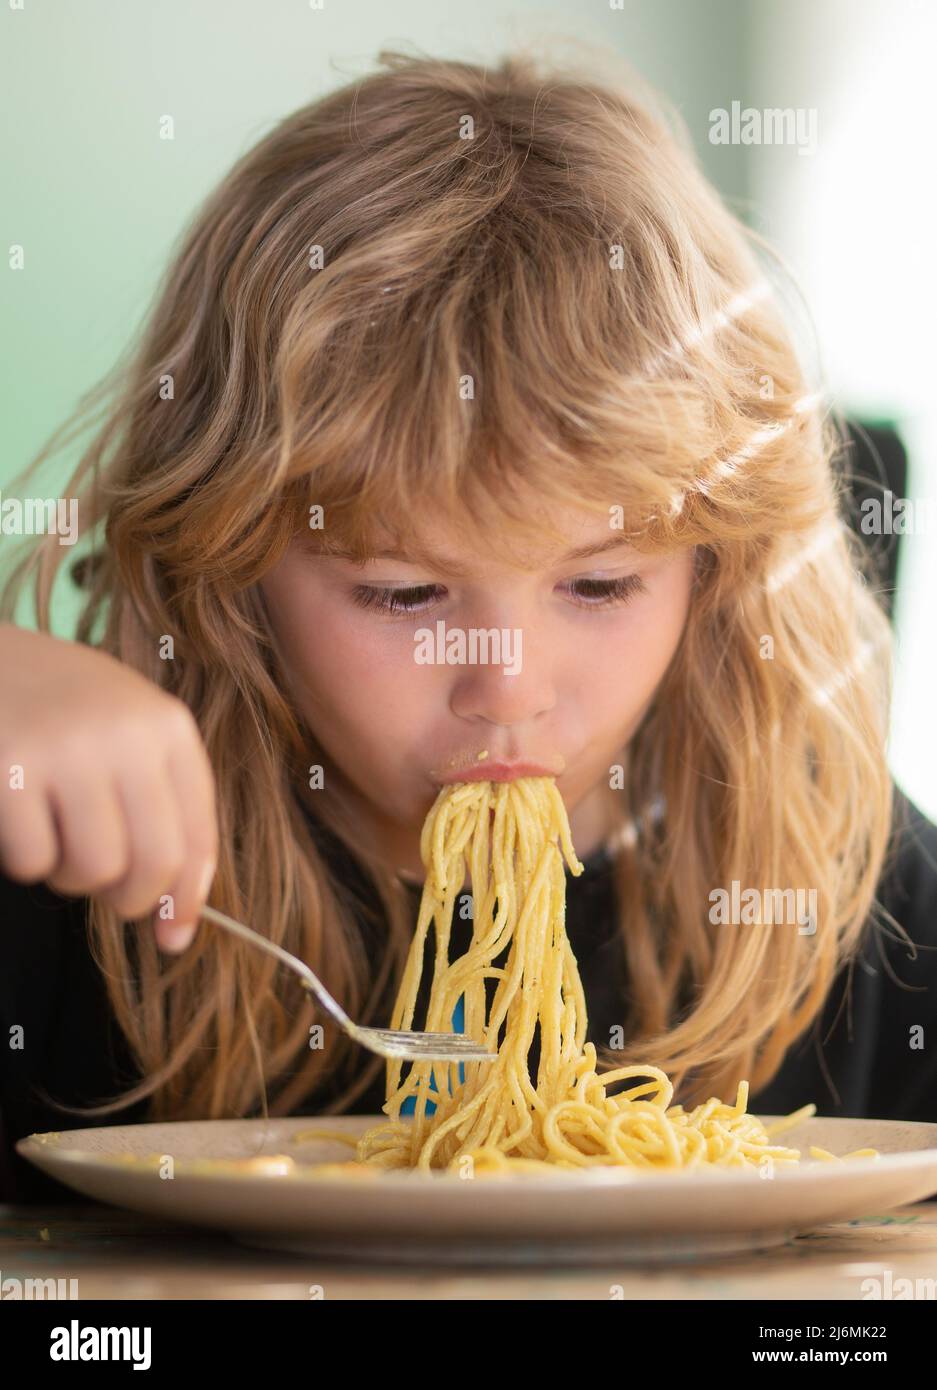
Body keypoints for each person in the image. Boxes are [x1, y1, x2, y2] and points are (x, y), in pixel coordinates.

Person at [2, 51, 936, 1205]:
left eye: (598, 587)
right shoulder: (74, 863)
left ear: (713, 574)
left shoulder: (840, 874)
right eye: (403, 595)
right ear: (229, 571)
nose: (504, 685)